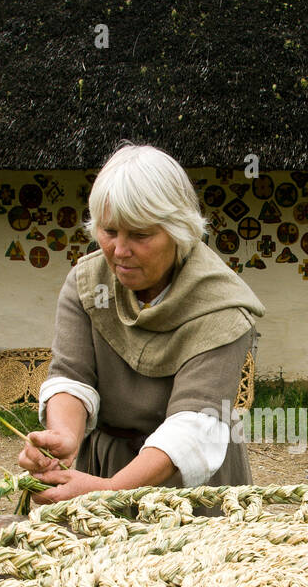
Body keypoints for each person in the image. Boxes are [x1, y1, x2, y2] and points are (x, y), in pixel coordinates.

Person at [17, 141, 266, 505]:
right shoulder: (89, 284)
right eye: (109, 231)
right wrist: (65, 438)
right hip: (100, 466)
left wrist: (111, 491)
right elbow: (71, 376)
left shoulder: (221, 306)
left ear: (179, 231)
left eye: (140, 234)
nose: (119, 251)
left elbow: (191, 430)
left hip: (184, 483)